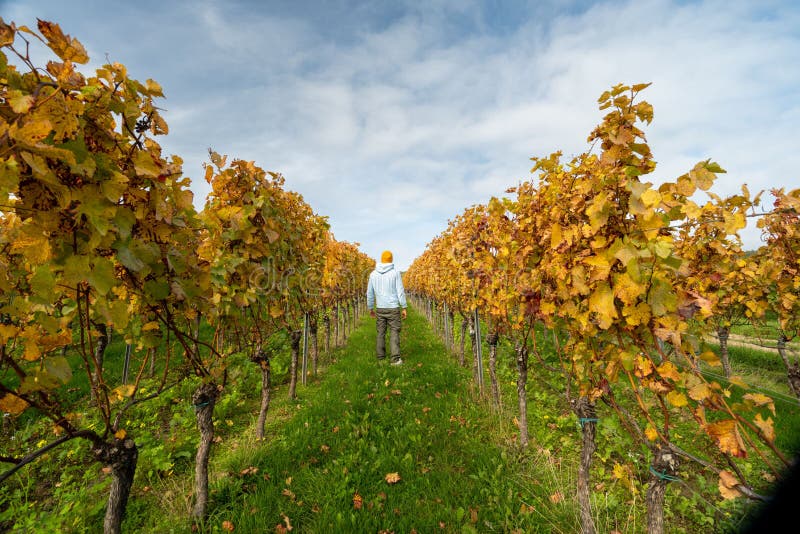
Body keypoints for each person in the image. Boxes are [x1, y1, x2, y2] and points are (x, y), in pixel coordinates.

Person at [366, 250, 407, 365]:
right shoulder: (395, 273)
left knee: (380, 332)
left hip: (380, 308)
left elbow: (369, 293)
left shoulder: (373, 274)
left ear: (382, 259)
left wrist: (370, 308)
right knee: (394, 331)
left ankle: (380, 358)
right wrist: (403, 306)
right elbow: (400, 291)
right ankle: (395, 359)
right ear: (391, 260)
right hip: (393, 308)